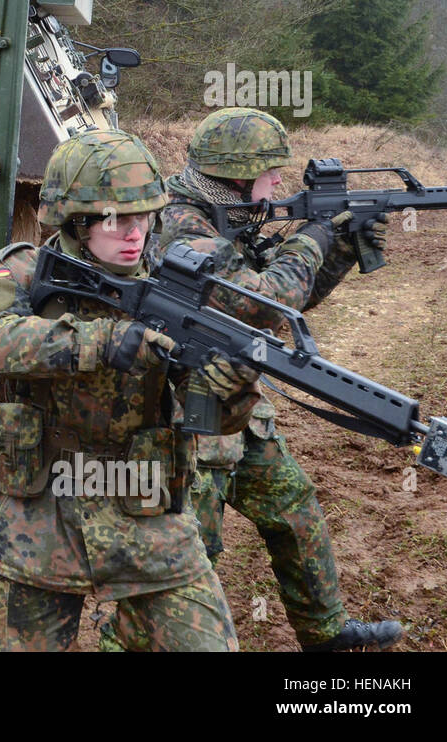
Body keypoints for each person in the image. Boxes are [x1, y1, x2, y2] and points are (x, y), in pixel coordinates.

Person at [0, 129, 258, 651]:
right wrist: (101, 340)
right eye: (115, 218)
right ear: (74, 222)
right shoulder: (27, 272)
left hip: (148, 521)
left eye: (143, 217)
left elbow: (213, 418)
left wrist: (231, 387)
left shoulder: (178, 292)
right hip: (41, 520)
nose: (134, 232)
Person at [151, 106, 402, 652]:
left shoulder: (228, 214)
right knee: (190, 559)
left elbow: (292, 304)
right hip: (184, 422)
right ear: (236, 177)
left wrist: (336, 249)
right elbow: (265, 303)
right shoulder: (180, 225)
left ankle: (326, 634)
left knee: (294, 511)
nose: (281, 184)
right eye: (272, 174)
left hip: (234, 407)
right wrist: (311, 237)